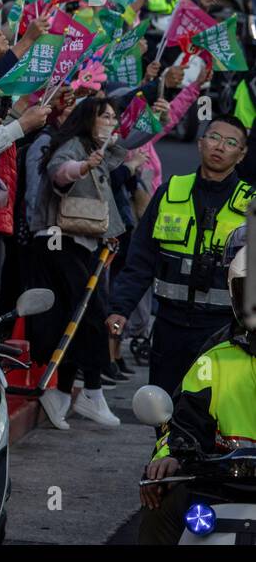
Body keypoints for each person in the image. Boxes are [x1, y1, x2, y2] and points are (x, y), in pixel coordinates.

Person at [108, 114, 253, 399]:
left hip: (225, 332)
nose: (220, 146)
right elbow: (141, 259)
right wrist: (120, 308)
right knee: (164, 407)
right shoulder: (170, 193)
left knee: (214, 415)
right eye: (213, 137)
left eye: (230, 142)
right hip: (169, 328)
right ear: (200, 143)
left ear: (242, 153)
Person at [138, 241, 256, 543]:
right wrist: (168, 458)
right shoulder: (215, 360)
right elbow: (181, 424)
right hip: (227, 485)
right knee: (160, 502)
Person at [30, 96, 127, 430]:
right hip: (60, 241)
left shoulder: (94, 148)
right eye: (106, 116)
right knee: (91, 315)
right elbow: (60, 174)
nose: (111, 122)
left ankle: (61, 392)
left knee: (75, 317)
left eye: (115, 117)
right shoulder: (74, 146)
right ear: (89, 118)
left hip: (82, 243)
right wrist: (82, 168)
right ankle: (93, 391)